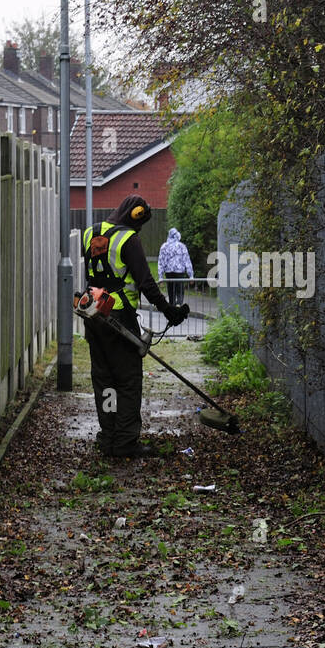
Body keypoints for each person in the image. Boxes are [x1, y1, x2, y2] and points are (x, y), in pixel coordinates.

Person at [82, 195, 189, 458]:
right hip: (119, 319)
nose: (139, 230)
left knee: (104, 379)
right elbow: (145, 282)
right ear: (136, 216)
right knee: (128, 380)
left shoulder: (90, 233)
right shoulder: (128, 239)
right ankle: (125, 442)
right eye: (140, 224)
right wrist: (170, 312)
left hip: (93, 314)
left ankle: (108, 437)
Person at [158, 227, 194, 306]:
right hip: (179, 272)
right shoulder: (181, 246)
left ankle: (172, 308)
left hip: (169, 273)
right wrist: (190, 275)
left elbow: (161, 262)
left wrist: (160, 276)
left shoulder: (164, 246)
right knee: (180, 290)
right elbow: (186, 260)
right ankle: (179, 305)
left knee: (171, 292)